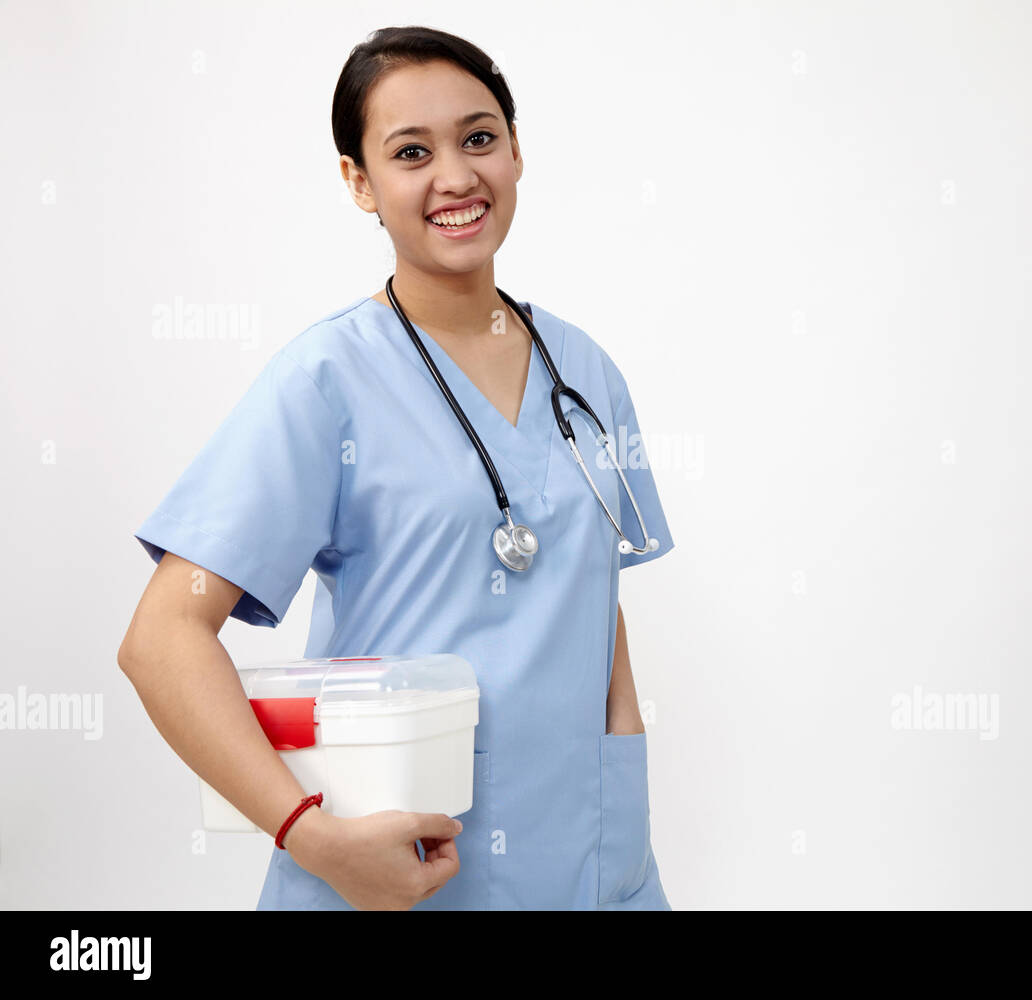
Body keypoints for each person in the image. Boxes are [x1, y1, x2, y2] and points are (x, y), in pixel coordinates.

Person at [116, 25, 675, 910]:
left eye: (479, 137)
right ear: (359, 183)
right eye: (411, 152)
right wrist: (311, 835)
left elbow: (592, 594)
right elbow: (160, 641)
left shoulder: (584, 372)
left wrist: (623, 771)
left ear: (518, 153)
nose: (456, 176)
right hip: (393, 870)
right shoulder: (326, 381)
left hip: (592, 860)